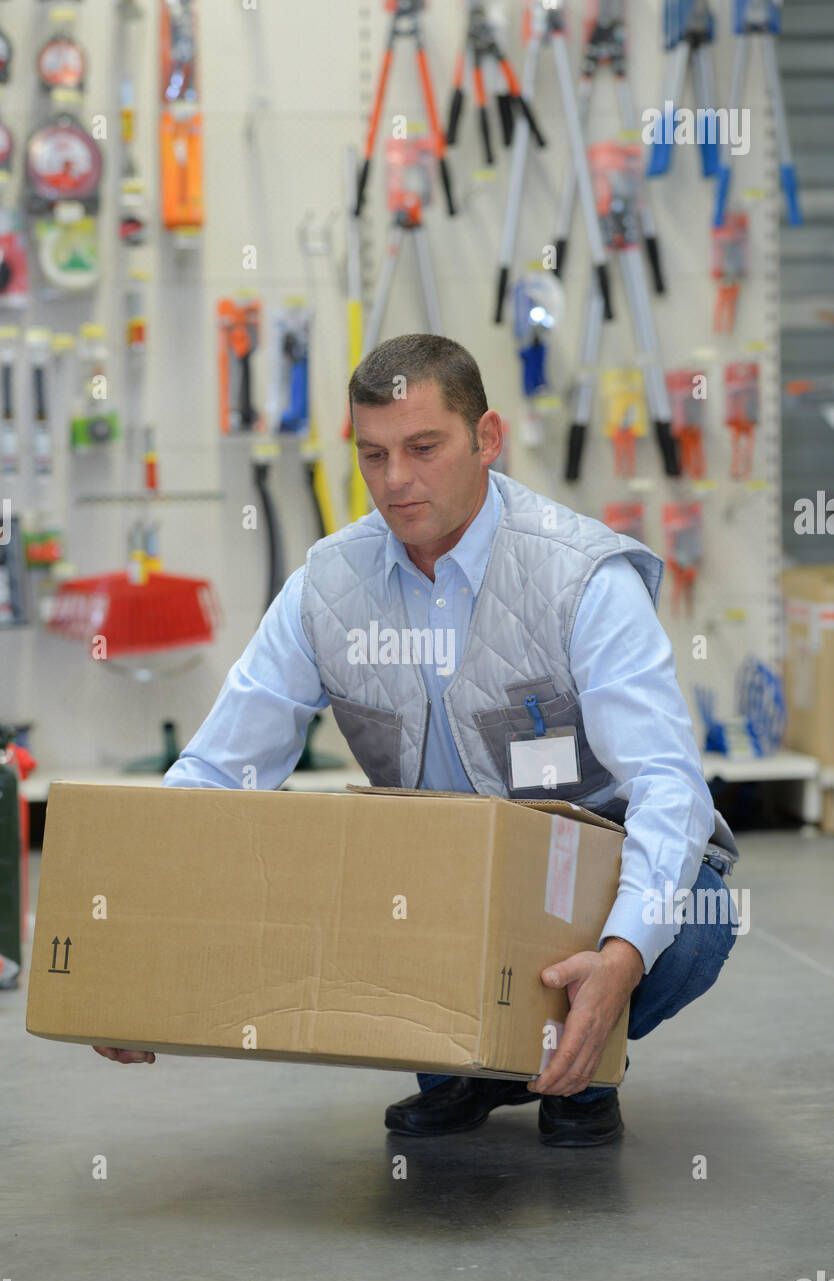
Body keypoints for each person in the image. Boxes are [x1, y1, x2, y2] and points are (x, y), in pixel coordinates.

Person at [94, 333, 740, 1149]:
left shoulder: (580, 577)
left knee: (698, 923)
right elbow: (221, 768)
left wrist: (621, 954)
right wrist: (135, 942)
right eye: (373, 455)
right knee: (317, 866)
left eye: (423, 447)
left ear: (488, 438)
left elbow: (668, 783)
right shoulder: (328, 587)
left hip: (582, 877)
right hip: (429, 888)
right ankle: (469, 1064)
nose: (396, 481)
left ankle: (582, 1059)